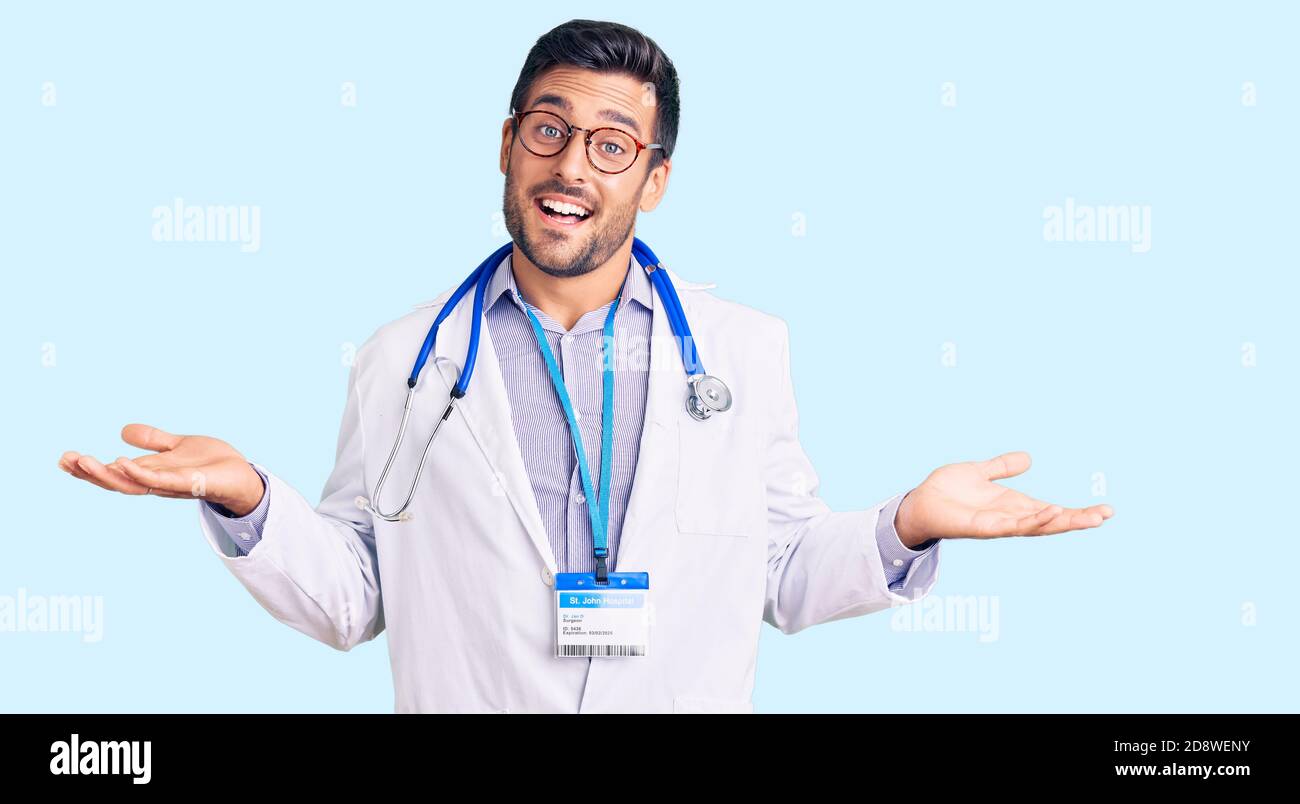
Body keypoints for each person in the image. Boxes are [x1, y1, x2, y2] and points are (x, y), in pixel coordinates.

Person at [58, 19, 1113, 713]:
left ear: (653, 181)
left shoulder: (743, 352)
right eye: (548, 131)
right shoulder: (401, 362)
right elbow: (352, 596)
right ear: (507, 144)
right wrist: (247, 498)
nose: (571, 166)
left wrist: (910, 522)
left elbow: (784, 577)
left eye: (612, 145)